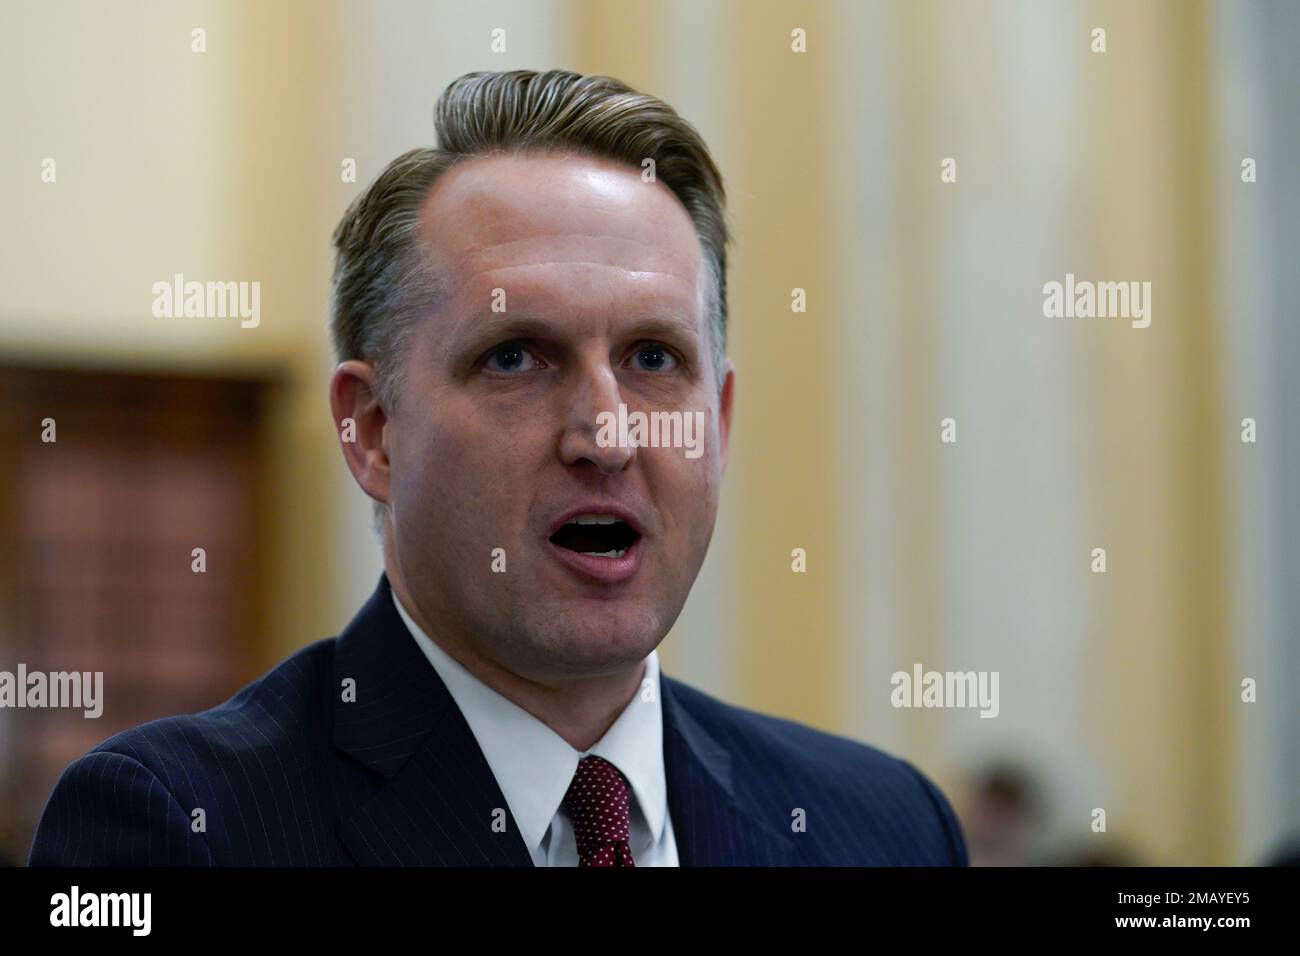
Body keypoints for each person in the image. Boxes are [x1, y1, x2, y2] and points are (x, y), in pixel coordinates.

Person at [29, 69, 967, 867]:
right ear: (374, 430)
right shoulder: (179, 826)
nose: (607, 437)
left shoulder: (883, 826)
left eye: (652, 359)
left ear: (717, 422)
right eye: (517, 356)